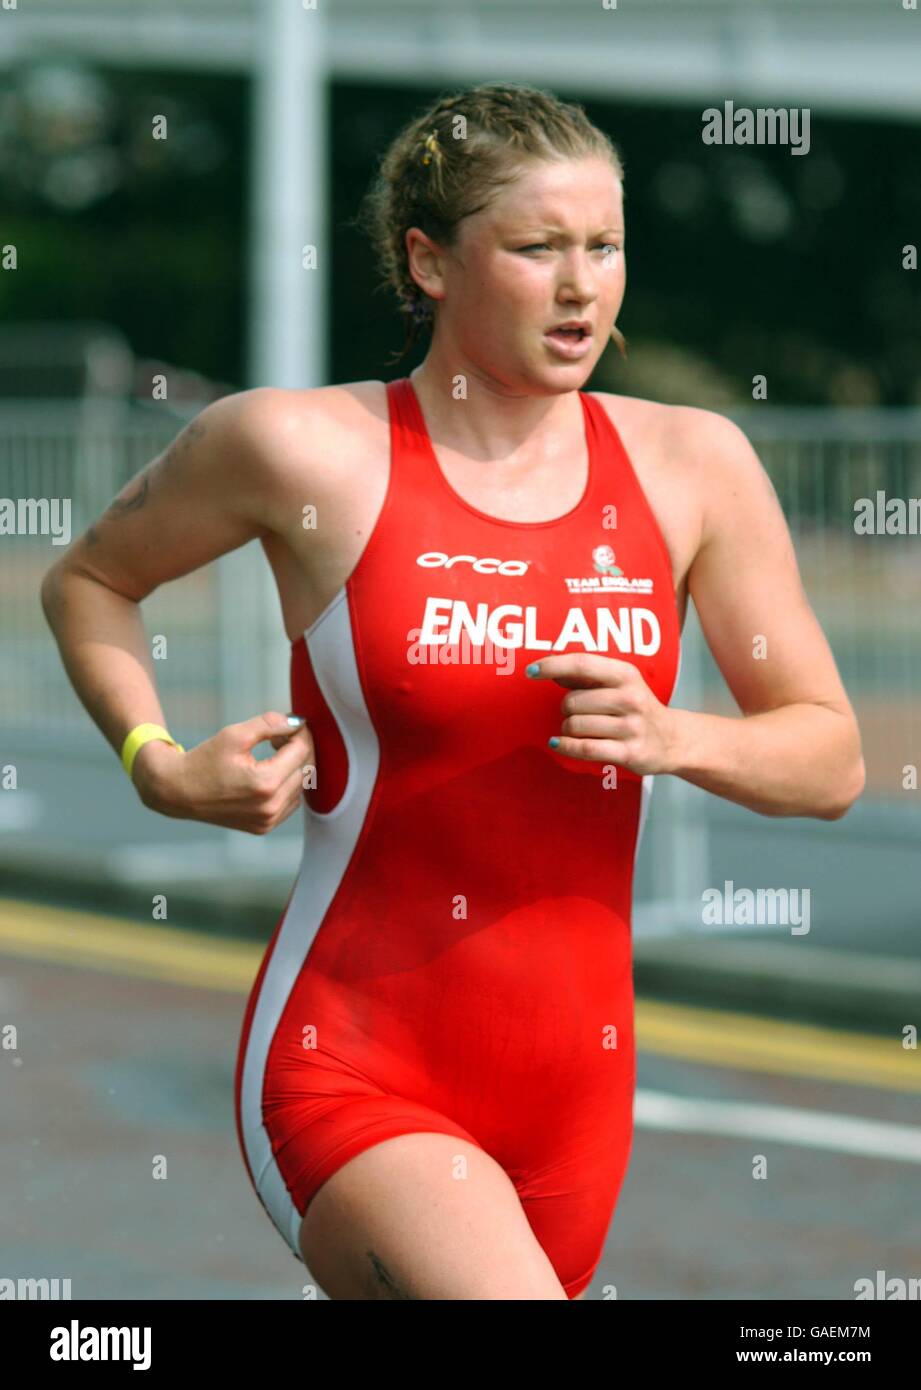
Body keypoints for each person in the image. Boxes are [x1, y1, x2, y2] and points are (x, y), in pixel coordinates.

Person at [40, 82, 865, 1301]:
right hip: (357, 1058)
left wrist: (676, 734)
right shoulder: (299, 448)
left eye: (605, 246)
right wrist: (157, 762)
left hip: (577, 1090)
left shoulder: (697, 466)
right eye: (537, 249)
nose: (582, 285)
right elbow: (91, 580)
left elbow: (834, 756)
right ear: (428, 261)